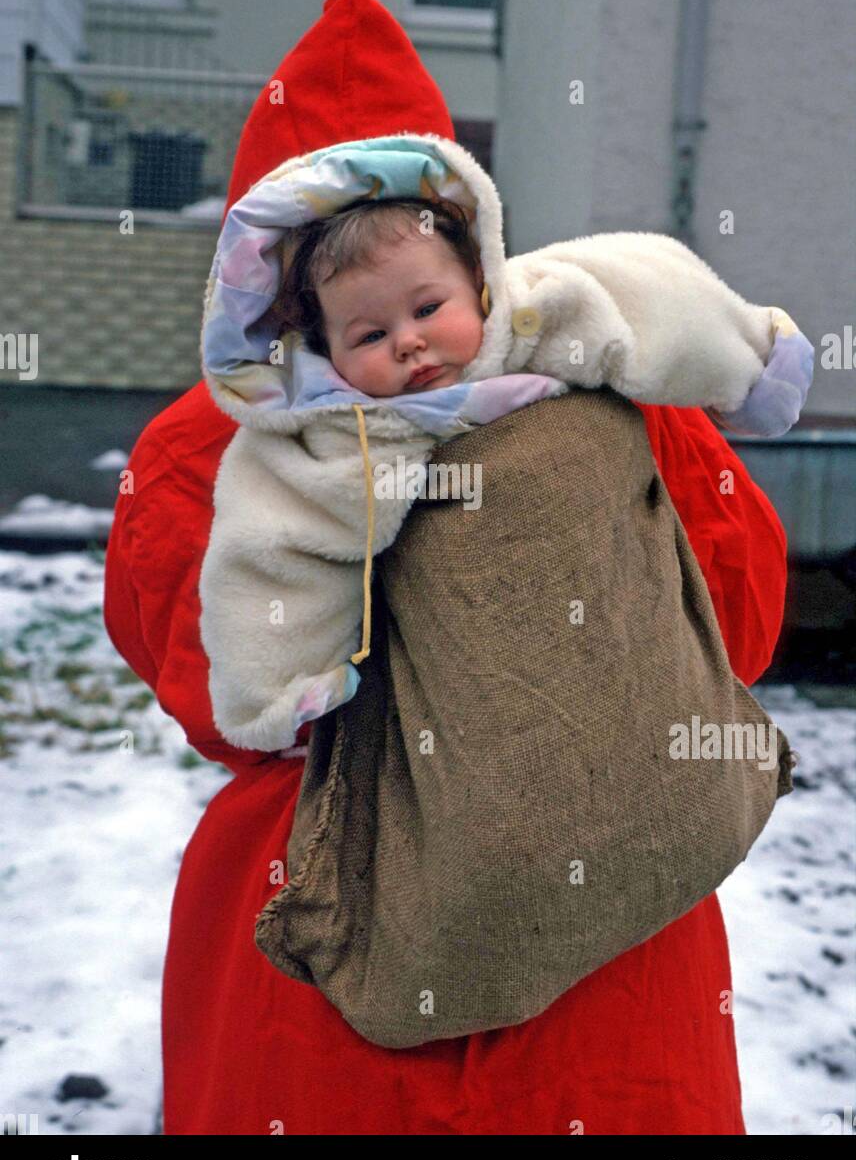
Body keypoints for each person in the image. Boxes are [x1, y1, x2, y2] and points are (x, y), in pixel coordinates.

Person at [103, 0, 797, 1134]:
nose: (410, 344)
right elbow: (740, 615)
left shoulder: (203, 446)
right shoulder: (607, 382)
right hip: (606, 924)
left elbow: (221, 701)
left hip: (326, 933)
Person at [197, 143, 811, 755]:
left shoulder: (532, 315)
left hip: (615, 612)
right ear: (325, 352)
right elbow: (268, 548)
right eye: (371, 335)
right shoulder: (333, 436)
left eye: (428, 308)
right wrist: (278, 696)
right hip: (471, 683)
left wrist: (752, 364)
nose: (409, 342)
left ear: (479, 283)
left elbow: (645, 287)